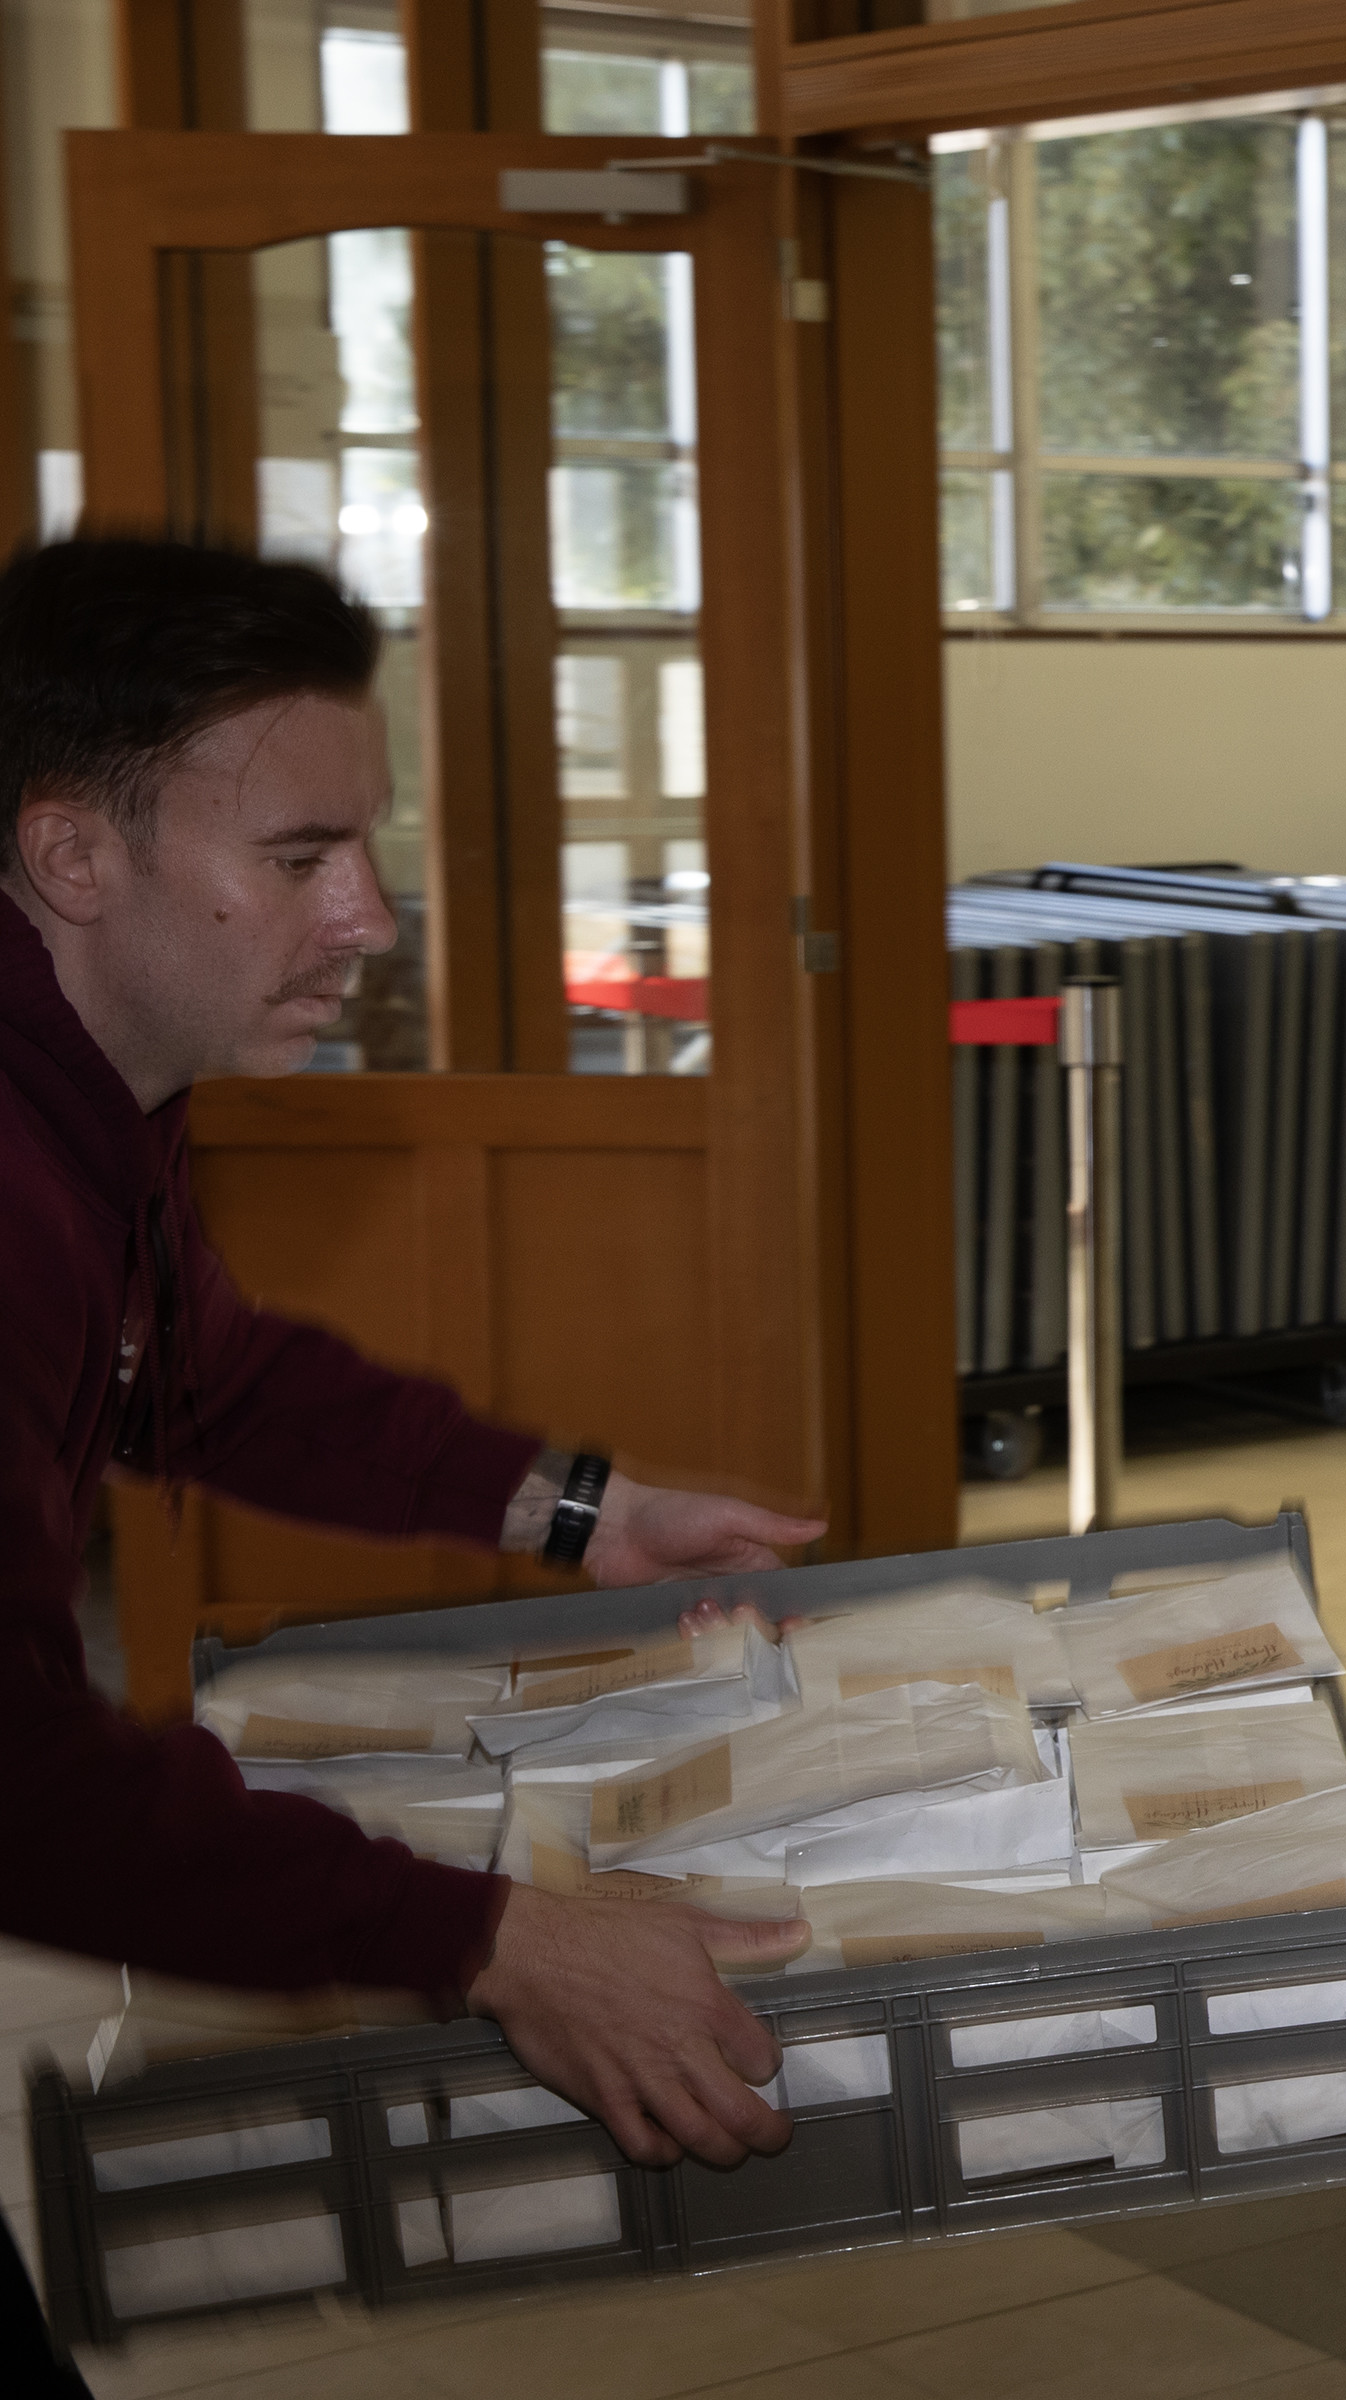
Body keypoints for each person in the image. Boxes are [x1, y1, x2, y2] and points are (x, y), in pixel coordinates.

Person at [0, 539, 832, 2363]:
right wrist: (493, 1937)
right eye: (298, 859)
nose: (368, 917)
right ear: (75, 855)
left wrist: (583, 1511)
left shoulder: (88, 1101)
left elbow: (201, 1371)